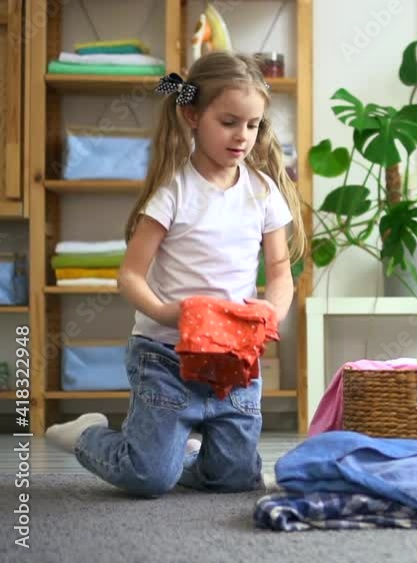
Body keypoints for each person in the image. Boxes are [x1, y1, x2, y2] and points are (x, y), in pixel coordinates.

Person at [44, 52, 307, 497]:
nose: (242, 136)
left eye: (252, 125)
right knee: (147, 479)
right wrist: (167, 313)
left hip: (233, 360)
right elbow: (129, 275)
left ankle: (171, 446)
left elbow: (281, 271)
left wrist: (272, 313)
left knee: (233, 479)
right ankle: (88, 434)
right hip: (166, 358)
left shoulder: (262, 192)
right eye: (228, 122)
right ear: (191, 115)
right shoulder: (174, 191)